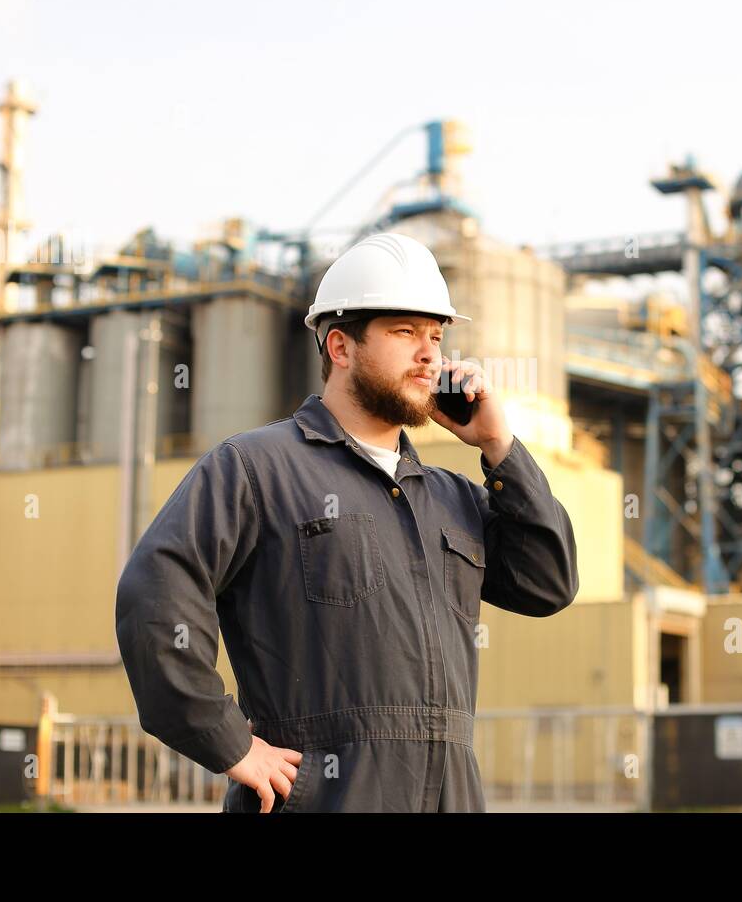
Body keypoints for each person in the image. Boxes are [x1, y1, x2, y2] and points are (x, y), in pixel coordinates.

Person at [115, 231, 579, 812]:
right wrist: (229, 742)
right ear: (340, 346)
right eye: (404, 331)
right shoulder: (257, 468)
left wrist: (499, 446)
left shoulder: (452, 498)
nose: (430, 354)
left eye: (436, 335)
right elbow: (155, 594)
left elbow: (549, 583)